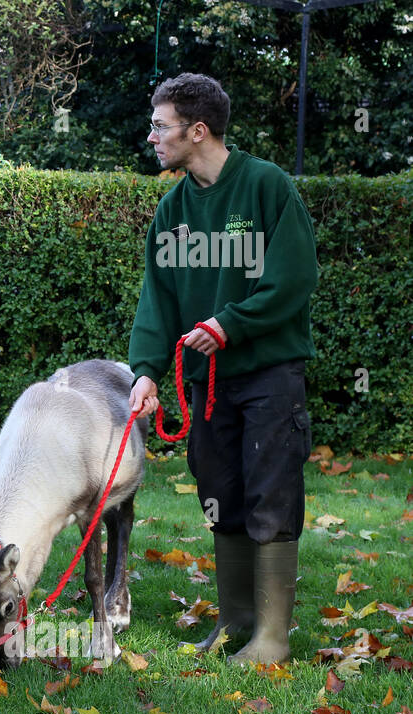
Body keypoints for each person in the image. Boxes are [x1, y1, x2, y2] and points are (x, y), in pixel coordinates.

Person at [128, 74, 317, 665]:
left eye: (161, 126)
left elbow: (293, 279)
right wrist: (147, 371)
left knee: (270, 496)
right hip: (203, 384)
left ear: (197, 130)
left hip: (267, 375)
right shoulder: (173, 208)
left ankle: (272, 639)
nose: (153, 136)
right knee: (220, 495)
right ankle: (237, 622)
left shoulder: (267, 186)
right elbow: (156, 299)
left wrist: (228, 325)